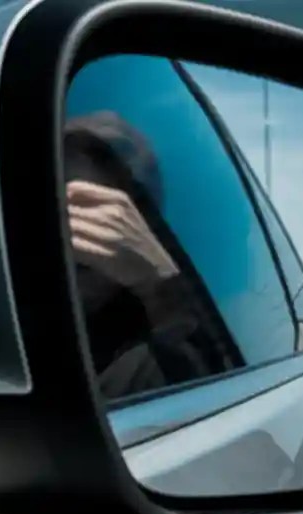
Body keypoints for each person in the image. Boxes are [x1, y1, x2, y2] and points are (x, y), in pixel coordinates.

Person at [61, 111, 241, 400]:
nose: (85, 235)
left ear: (141, 225)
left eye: (110, 216)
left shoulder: (150, 352)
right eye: (63, 203)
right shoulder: (1, 300)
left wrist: (159, 284)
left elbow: (212, 388)